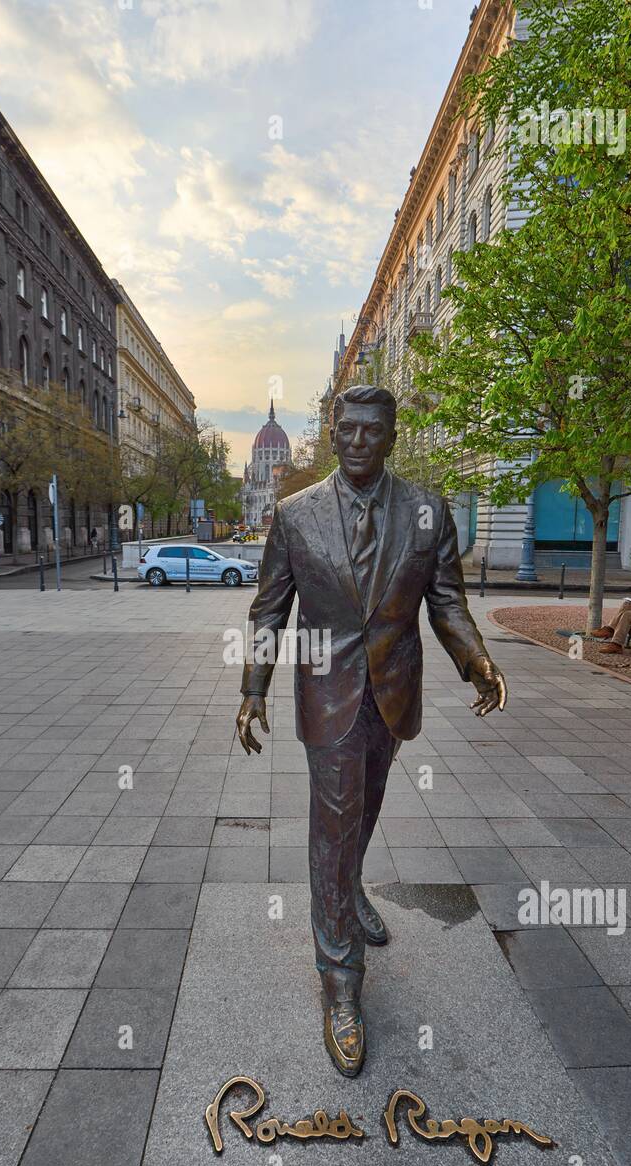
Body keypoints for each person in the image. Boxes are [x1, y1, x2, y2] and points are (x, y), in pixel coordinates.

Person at [235, 384, 506, 1077]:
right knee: (332, 825)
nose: (358, 441)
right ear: (332, 432)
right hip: (326, 695)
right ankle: (341, 982)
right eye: (347, 430)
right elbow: (269, 611)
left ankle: (350, 891)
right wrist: (253, 688)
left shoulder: (426, 511)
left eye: (371, 432)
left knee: (366, 809)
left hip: (392, 691)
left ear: (390, 436)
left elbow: (447, 602)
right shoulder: (296, 516)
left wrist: (476, 659)